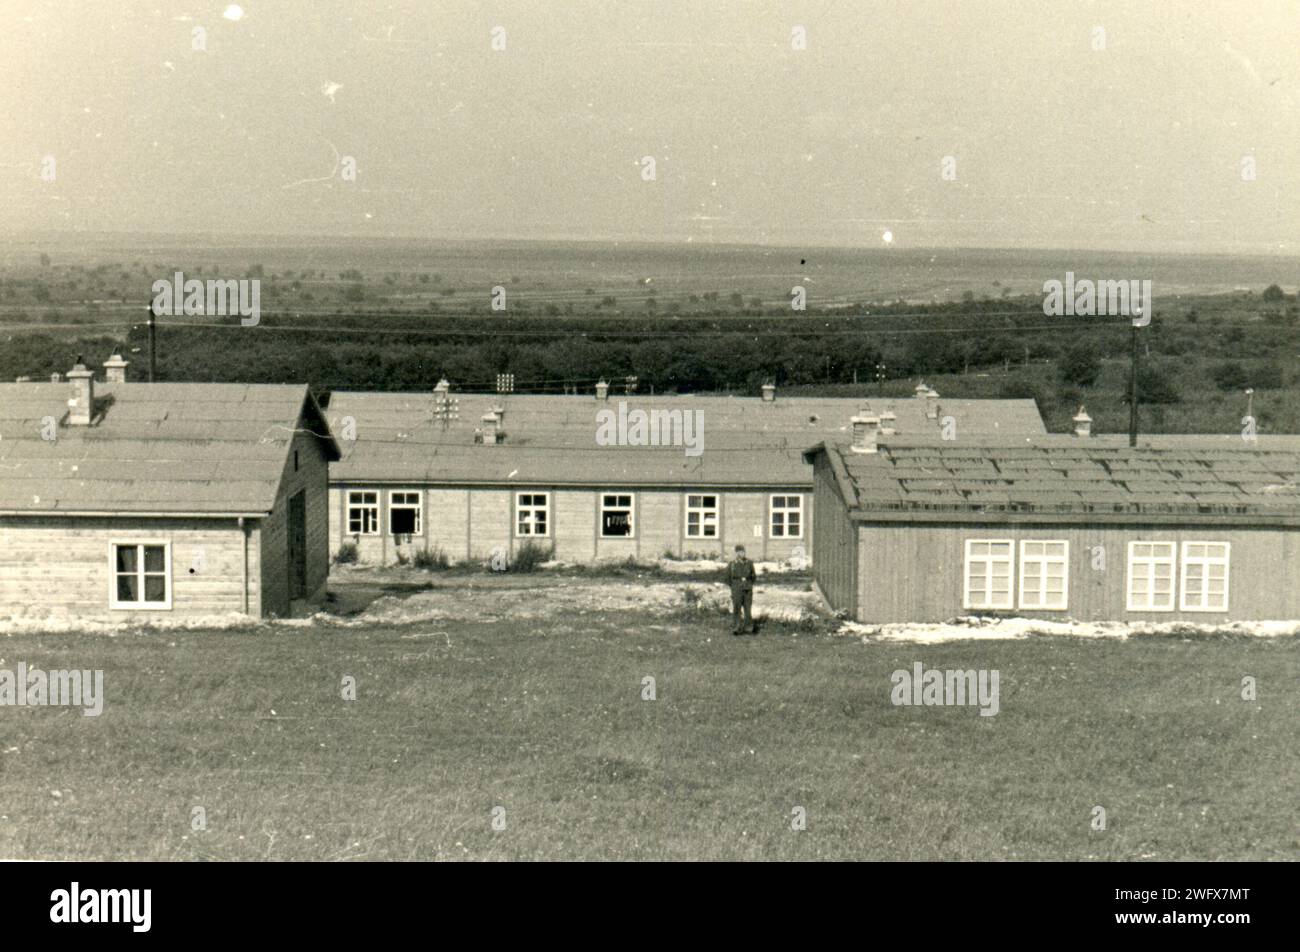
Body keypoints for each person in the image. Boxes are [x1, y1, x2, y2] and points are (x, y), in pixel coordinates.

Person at [726, 544, 757, 635]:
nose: (742, 554)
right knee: (737, 609)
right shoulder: (732, 564)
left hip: (747, 589)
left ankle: (749, 628)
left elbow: (753, 576)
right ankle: (736, 628)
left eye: (743, 552)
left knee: (748, 609)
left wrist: (749, 584)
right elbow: (727, 578)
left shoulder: (749, 563)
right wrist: (734, 587)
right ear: (736, 553)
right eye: (739, 552)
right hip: (736, 590)